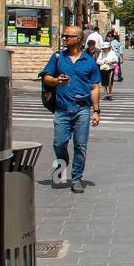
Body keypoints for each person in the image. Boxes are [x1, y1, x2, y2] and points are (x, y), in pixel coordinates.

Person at [40, 25, 101, 193]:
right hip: (62, 108)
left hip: (82, 109)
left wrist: (96, 111)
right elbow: (46, 78)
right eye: (64, 36)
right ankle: (63, 160)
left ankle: (76, 178)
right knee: (59, 143)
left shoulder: (89, 61)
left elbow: (95, 87)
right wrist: (56, 81)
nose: (65, 38)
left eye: (68, 36)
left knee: (80, 145)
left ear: (78, 39)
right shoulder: (58, 57)